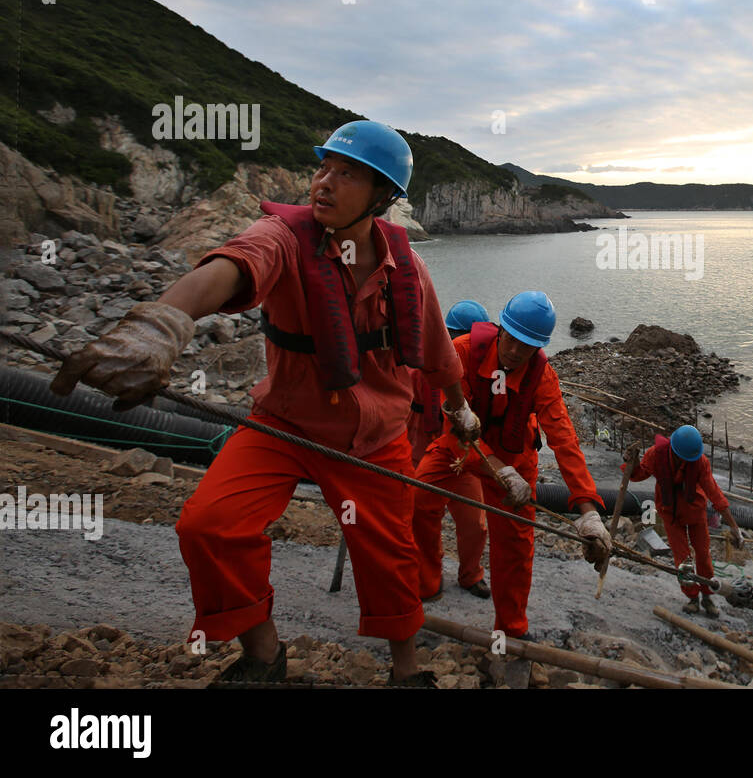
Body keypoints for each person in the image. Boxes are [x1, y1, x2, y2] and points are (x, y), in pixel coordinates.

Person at [50, 120, 479, 685]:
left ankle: (405, 674)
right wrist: (165, 321)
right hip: (283, 425)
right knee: (209, 525)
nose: (324, 182)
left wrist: (458, 408)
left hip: (373, 440)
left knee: (390, 559)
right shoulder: (283, 236)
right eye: (323, 167)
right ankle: (262, 653)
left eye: (346, 174)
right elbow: (234, 265)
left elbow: (438, 353)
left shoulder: (407, 269)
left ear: (381, 196)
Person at [411, 291, 611, 638]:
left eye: (528, 346)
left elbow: (564, 439)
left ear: (539, 348)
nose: (516, 352)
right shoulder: (461, 353)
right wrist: (495, 468)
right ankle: (425, 583)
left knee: (515, 549)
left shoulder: (542, 377)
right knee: (416, 501)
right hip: (458, 450)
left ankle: (511, 630)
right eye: (513, 339)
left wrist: (588, 510)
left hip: (516, 465)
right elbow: (454, 426)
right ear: (500, 327)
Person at [408, 300, 492, 599]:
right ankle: (428, 581)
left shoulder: (481, 371)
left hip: (460, 455)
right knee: (421, 519)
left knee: (475, 523)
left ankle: (471, 575)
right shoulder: (418, 365)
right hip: (420, 451)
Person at [629, 425, 741, 617]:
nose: (684, 461)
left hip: (695, 513)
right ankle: (692, 597)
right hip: (670, 513)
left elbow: (714, 494)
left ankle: (707, 595)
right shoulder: (656, 454)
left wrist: (734, 527)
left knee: (703, 555)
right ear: (673, 449)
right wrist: (631, 464)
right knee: (682, 559)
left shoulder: (700, 462)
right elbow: (638, 475)